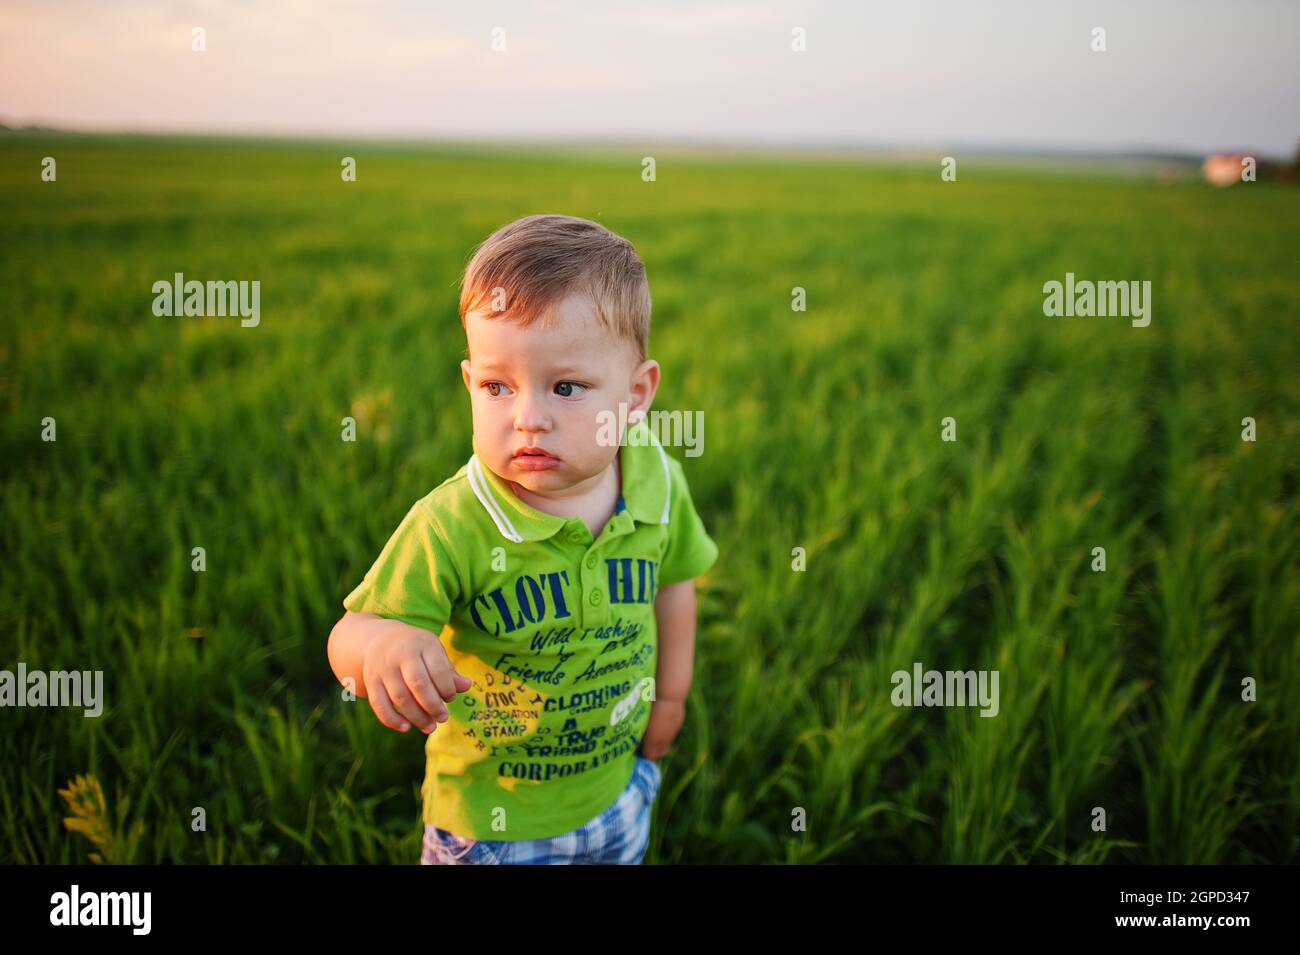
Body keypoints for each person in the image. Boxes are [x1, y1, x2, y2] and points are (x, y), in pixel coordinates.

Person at [327, 214, 719, 864]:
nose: (529, 417)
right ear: (469, 383)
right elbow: (351, 631)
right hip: (491, 822)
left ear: (637, 392)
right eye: (497, 386)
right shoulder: (455, 521)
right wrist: (383, 644)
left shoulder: (659, 485)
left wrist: (670, 697)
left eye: (566, 387)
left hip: (616, 790)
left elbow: (675, 586)